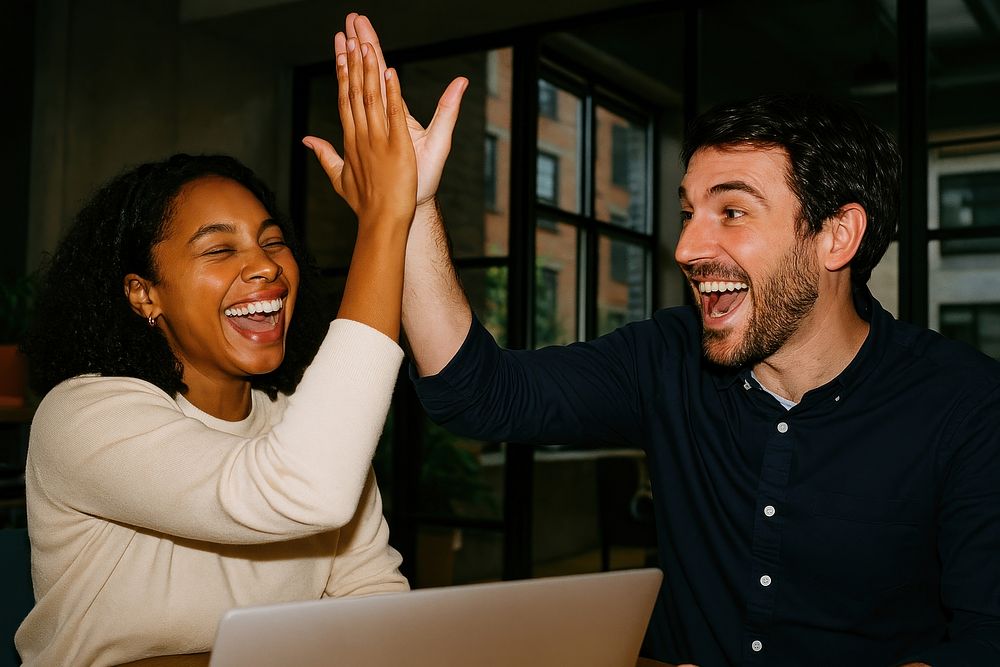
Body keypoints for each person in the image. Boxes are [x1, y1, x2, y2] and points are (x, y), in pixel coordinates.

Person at [331, 16, 1000, 667]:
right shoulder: (668, 357)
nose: (686, 247)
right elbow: (479, 394)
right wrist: (411, 209)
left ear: (837, 236)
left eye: (731, 211)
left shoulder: (965, 405)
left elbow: (985, 637)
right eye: (688, 211)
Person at [15, 30, 419, 666]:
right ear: (144, 295)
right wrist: (386, 222)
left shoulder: (306, 428)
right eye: (220, 248)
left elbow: (370, 597)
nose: (265, 267)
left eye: (272, 240)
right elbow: (297, 490)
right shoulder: (84, 416)